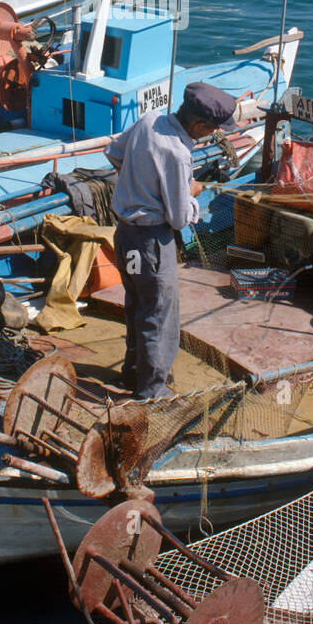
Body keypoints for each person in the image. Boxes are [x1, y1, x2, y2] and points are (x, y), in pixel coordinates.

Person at [106, 82, 237, 399]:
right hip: (151, 243)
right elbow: (179, 218)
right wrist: (191, 194)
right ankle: (152, 389)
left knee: (138, 303)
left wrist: (141, 183)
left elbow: (114, 153)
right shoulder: (178, 154)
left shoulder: (149, 119)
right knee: (159, 314)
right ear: (199, 125)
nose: (212, 134)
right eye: (212, 129)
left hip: (125, 236)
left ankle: (133, 373)